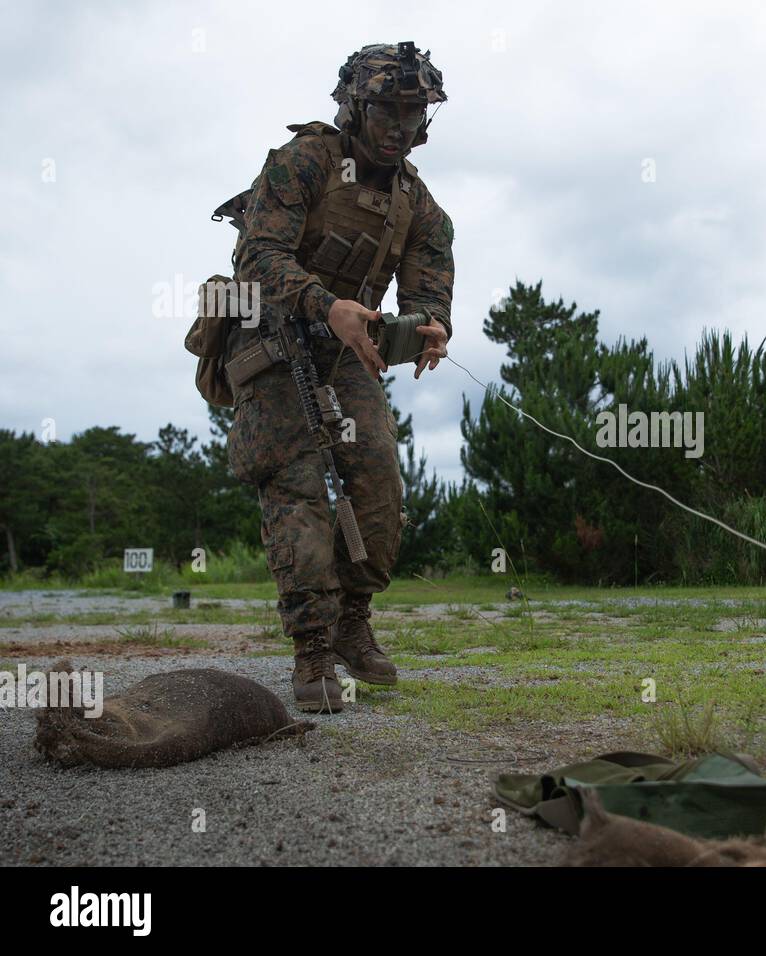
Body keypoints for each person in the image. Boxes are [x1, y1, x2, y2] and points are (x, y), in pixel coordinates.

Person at [219, 43, 455, 712]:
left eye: (414, 112)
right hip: (274, 344)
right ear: (356, 104)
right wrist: (327, 304)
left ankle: (354, 620)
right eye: (387, 109)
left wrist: (431, 323)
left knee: (377, 476)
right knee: (297, 494)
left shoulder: (415, 200)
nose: (400, 125)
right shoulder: (305, 162)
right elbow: (257, 253)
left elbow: (430, 276)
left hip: (349, 356)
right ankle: (313, 649)